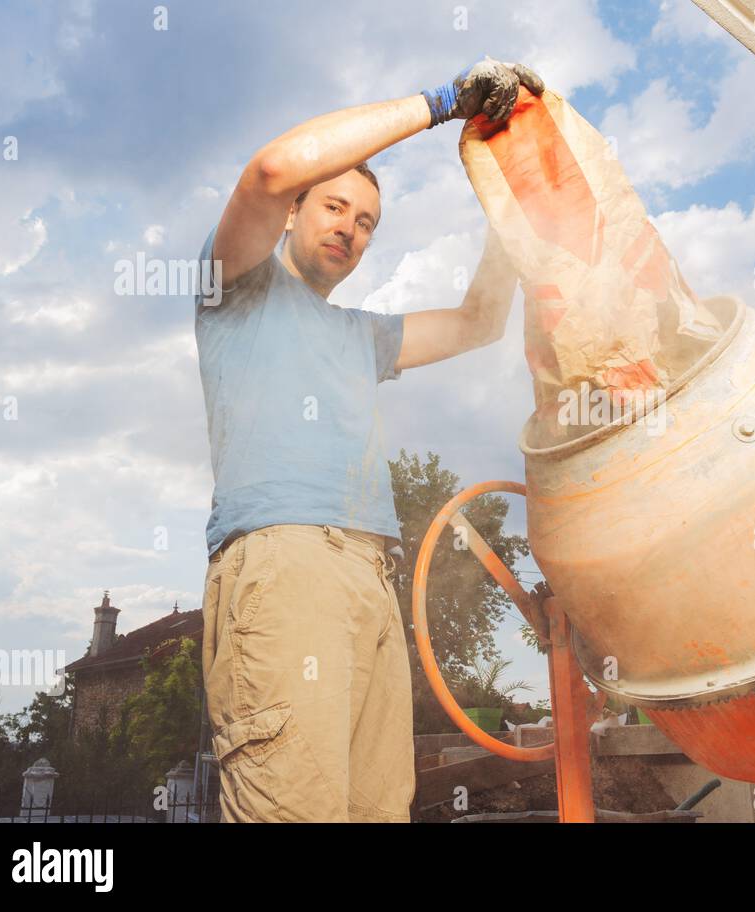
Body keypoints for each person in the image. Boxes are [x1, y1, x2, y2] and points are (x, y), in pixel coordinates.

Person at [194, 58, 544, 822]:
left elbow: (479, 323)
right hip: (285, 565)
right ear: (292, 213)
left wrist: (512, 210)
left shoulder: (361, 337)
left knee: (378, 809)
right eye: (335, 206)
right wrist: (442, 104)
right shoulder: (236, 290)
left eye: (366, 223)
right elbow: (272, 168)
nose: (349, 229)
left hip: (370, 575)